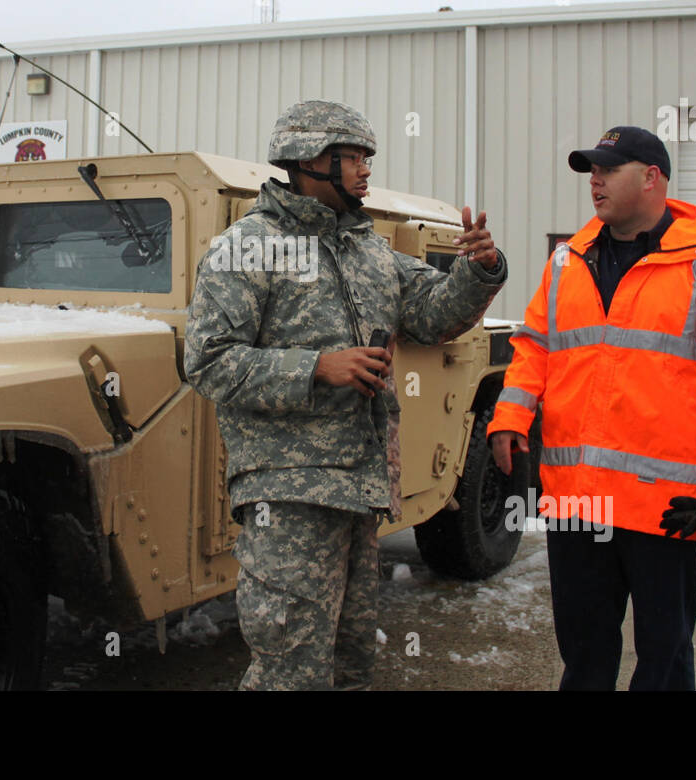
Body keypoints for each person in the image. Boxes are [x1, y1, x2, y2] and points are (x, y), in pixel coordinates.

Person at [184, 99, 507, 690]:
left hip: (359, 489)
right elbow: (207, 362)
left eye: (366, 158)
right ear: (309, 161)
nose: (365, 170)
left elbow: (432, 316)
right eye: (352, 157)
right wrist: (317, 368)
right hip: (288, 493)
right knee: (292, 669)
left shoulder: (368, 249)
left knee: (350, 661)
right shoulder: (245, 248)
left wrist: (478, 271)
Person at [488, 125, 696, 690]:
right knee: (584, 656)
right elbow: (535, 349)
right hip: (577, 502)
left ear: (652, 178)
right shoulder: (567, 262)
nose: (595, 181)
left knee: (663, 662)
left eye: (608, 169)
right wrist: (509, 419)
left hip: (663, 507)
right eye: (590, 171)